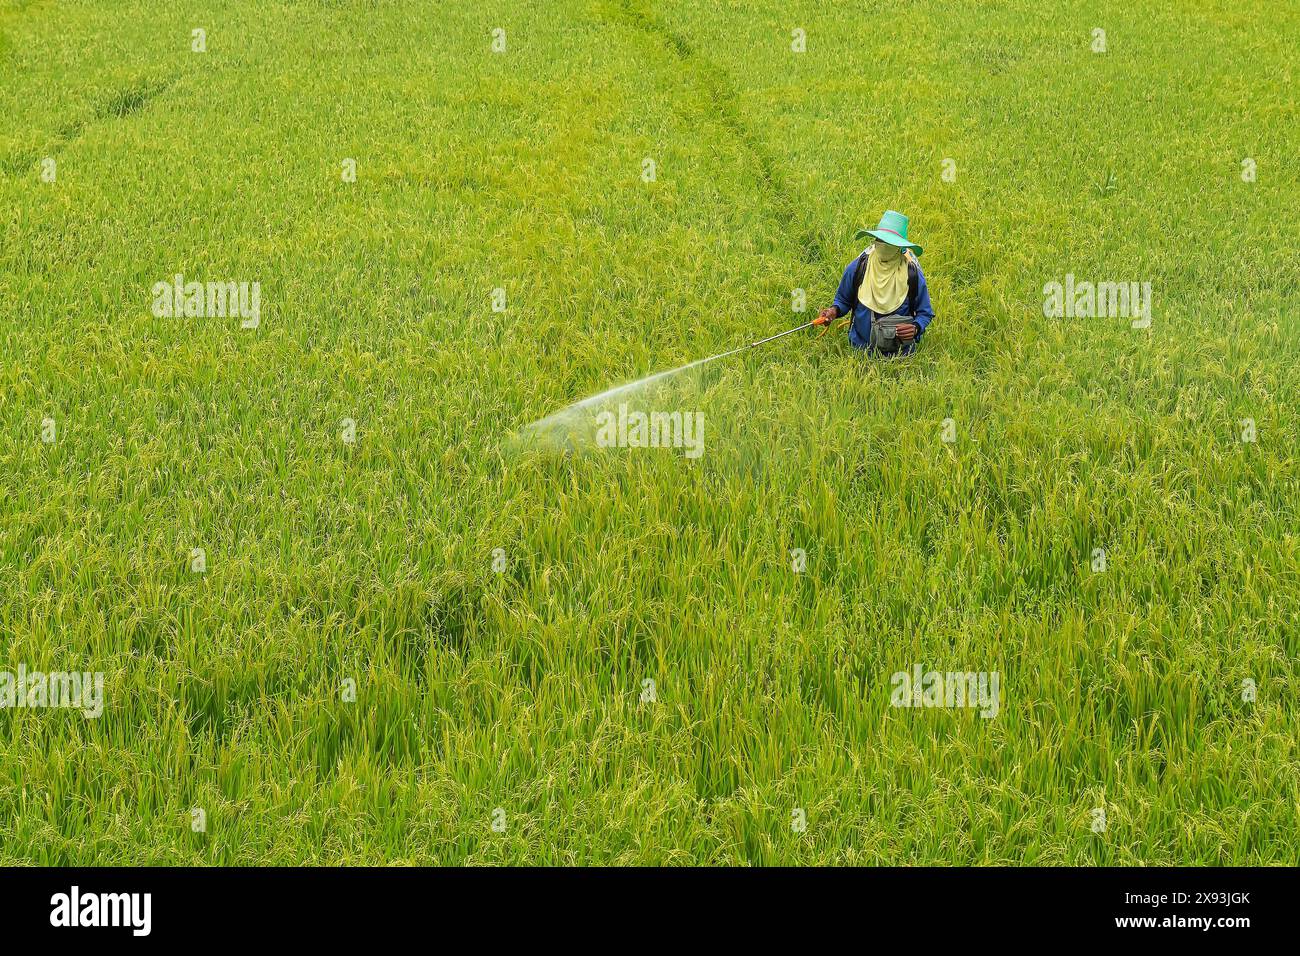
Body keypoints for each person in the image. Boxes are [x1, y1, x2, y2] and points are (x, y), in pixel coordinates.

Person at [817, 210, 933, 355]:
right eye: (880, 240)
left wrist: (915, 327)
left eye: (889, 242)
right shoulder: (858, 267)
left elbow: (925, 313)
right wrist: (833, 311)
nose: (883, 245)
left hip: (899, 355)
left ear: (900, 247)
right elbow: (843, 300)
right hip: (859, 351)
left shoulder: (912, 274)